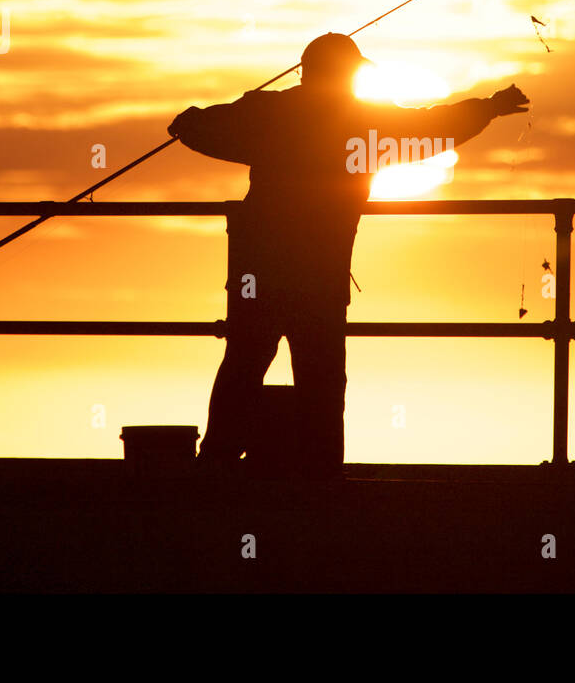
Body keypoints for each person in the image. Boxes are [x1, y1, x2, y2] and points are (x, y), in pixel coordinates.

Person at [169, 32, 529, 480]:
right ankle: (321, 472)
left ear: (306, 72)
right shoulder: (365, 124)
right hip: (321, 271)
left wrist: (186, 121)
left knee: (244, 362)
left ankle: (217, 461)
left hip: (257, 269)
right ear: (349, 75)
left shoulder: (269, 113)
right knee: (321, 376)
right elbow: (432, 128)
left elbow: (204, 127)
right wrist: (487, 107)